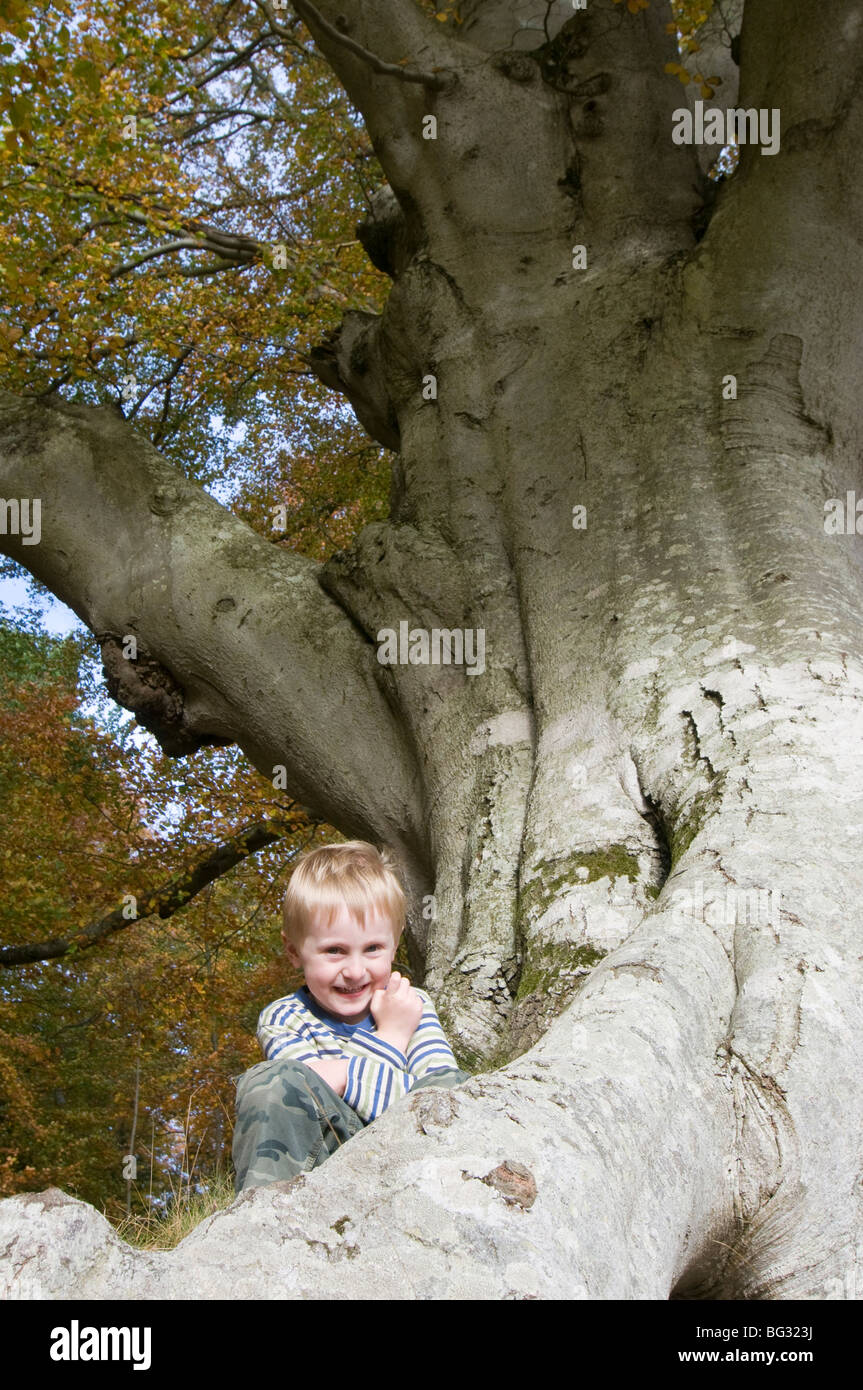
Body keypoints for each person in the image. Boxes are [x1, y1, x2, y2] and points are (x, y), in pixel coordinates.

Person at [232, 840, 469, 1193]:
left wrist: (340, 1073)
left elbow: (439, 1103)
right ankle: (261, 1219)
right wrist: (391, 1037)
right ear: (294, 951)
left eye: (372, 948)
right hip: (320, 1171)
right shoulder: (284, 1018)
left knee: (455, 1085)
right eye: (334, 951)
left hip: (410, 1165)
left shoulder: (410, 1003)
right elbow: (297, 1104)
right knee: (271, 1082)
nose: (355, 971)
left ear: (395, 942)